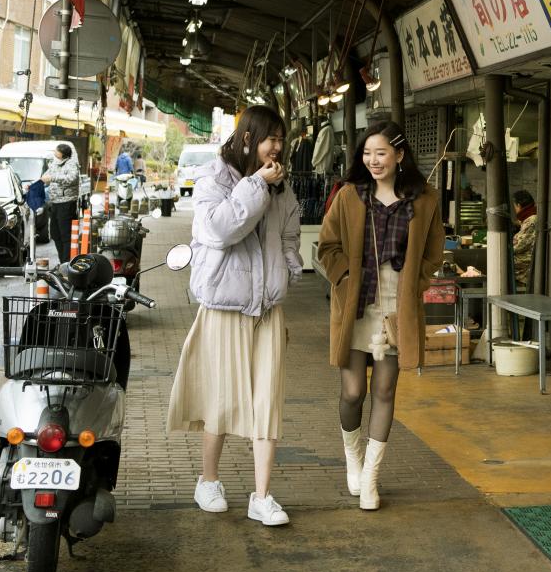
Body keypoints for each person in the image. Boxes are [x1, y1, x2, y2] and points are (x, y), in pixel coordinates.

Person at [166, 106, 301, 527]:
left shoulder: (282, 187)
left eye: (281, 139)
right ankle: (208, 481)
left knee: (268, 402)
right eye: (270, 138)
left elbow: (290, 236)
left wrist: (288, 270)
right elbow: (220, 231)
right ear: (247, 138)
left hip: (268, 308)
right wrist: (257, 184)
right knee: (221, 398)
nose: (277, 147)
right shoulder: (214, 178)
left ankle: (262, 495)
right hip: (224, 306)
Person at [318, 120, 443, 511]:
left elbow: (433, 253)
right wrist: (345, 277)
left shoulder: (424, 200)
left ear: (399, 155)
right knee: (353, 392)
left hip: (396, 308)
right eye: (367, 153)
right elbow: (327, 246)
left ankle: (371, 479)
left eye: (381, 153)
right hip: (355, 306)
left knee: (385, 392)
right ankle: (352, 458)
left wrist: (415, 282)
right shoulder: (349, 196)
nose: (373, 160)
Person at [41, 144, 80, 264]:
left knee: (65, 234)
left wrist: (53, 178)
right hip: (54, 203)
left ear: (63, 154)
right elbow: (45, 177)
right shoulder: (54, 163)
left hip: (66, 203)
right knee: (55, 233)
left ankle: (67, 262)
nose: (54, 153)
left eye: (56, 152)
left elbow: (72, 178)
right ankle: (62, 261)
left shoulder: (72, 164)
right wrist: (35, 183)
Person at [511, 189, 538, 293]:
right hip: (526, 260)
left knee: (502, 264)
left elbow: (518, 246)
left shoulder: (531, 220)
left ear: (518, 205)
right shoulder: (528, 217)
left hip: (526, 265)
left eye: (514, 206)